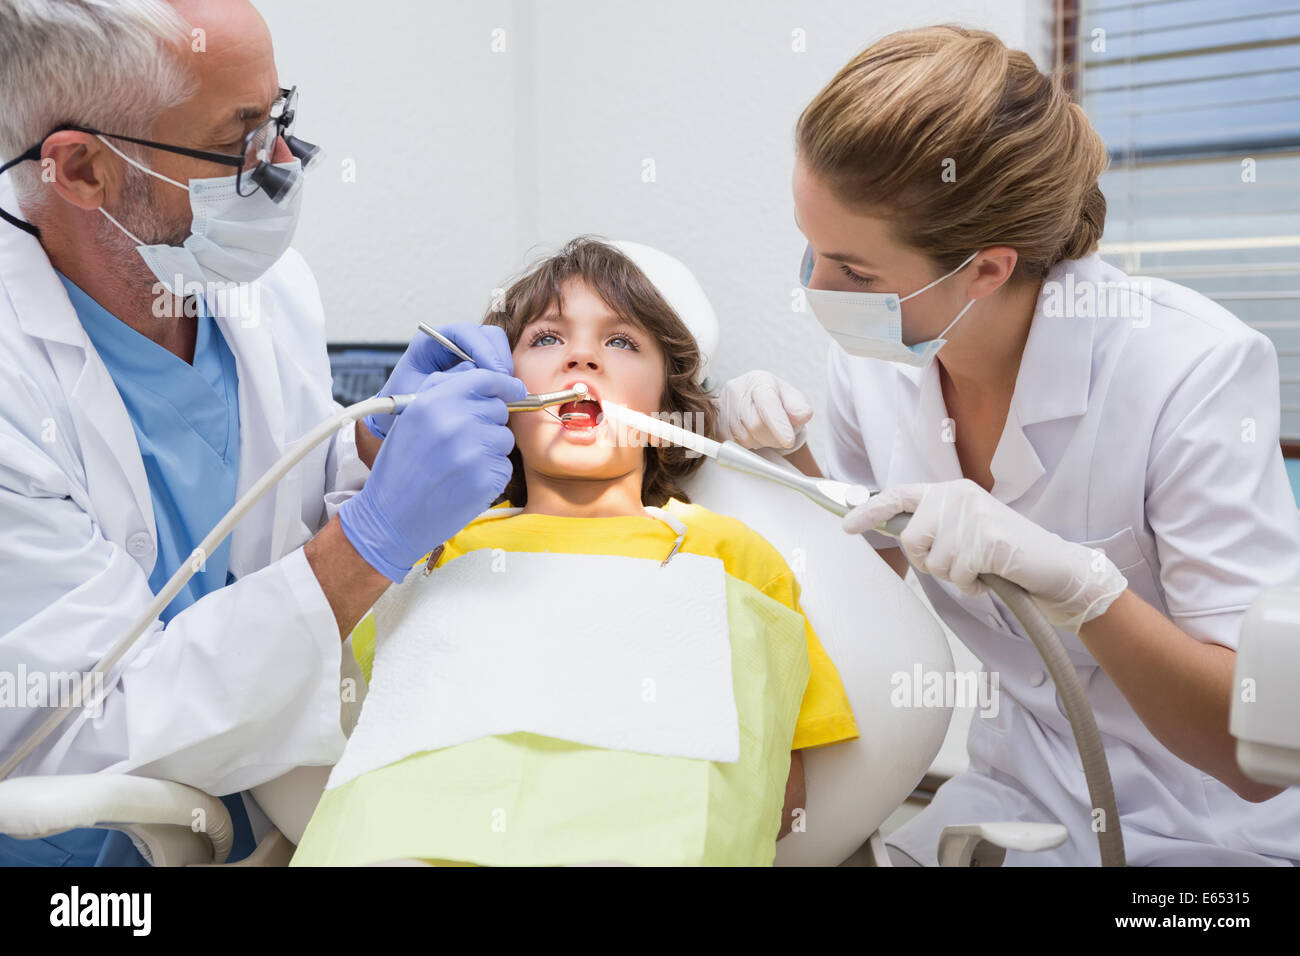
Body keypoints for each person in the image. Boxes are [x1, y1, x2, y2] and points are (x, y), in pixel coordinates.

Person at [716, 25, 1300, 865]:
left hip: (1213, 834)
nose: (816, 292)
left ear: (986, 269)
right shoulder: (883, 362)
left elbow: (1252, 755)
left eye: (854, 272)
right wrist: (787, 471)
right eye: (812, 249)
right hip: (1014, 797)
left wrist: (1085, 589)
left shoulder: (1188, 367)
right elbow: (868, 568)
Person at [0, 0, 523, 866]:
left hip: (277, 817)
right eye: (239, 137)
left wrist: (363, 451)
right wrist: (371, 539)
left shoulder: (262, 290)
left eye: (277, 117)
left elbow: (271, 528)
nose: (279, 164)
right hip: (84, 865)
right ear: (83, 169)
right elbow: (92, 725)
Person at [289, 238, 860, 866]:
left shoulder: (727, 554)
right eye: (546, 339)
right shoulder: (435, 546)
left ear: (667, 406)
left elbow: (778, 794)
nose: (582, 357)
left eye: (621, 342)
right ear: (497, 393)